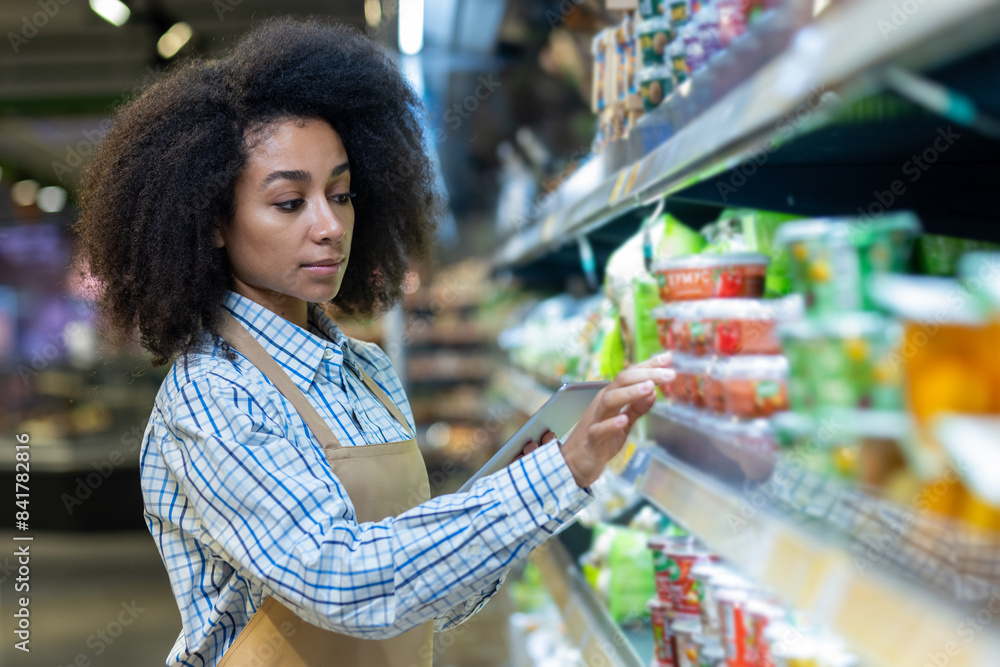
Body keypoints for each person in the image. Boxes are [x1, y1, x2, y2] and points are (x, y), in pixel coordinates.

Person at [74, 17, 674, 667]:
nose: (330, 226)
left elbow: (424, 595)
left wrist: (527, 490)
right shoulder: (212, 396)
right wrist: (554, 475)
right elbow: (346, 581)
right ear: (213, 220)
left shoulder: (366, 370)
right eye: (288, 202)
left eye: (341, 193)